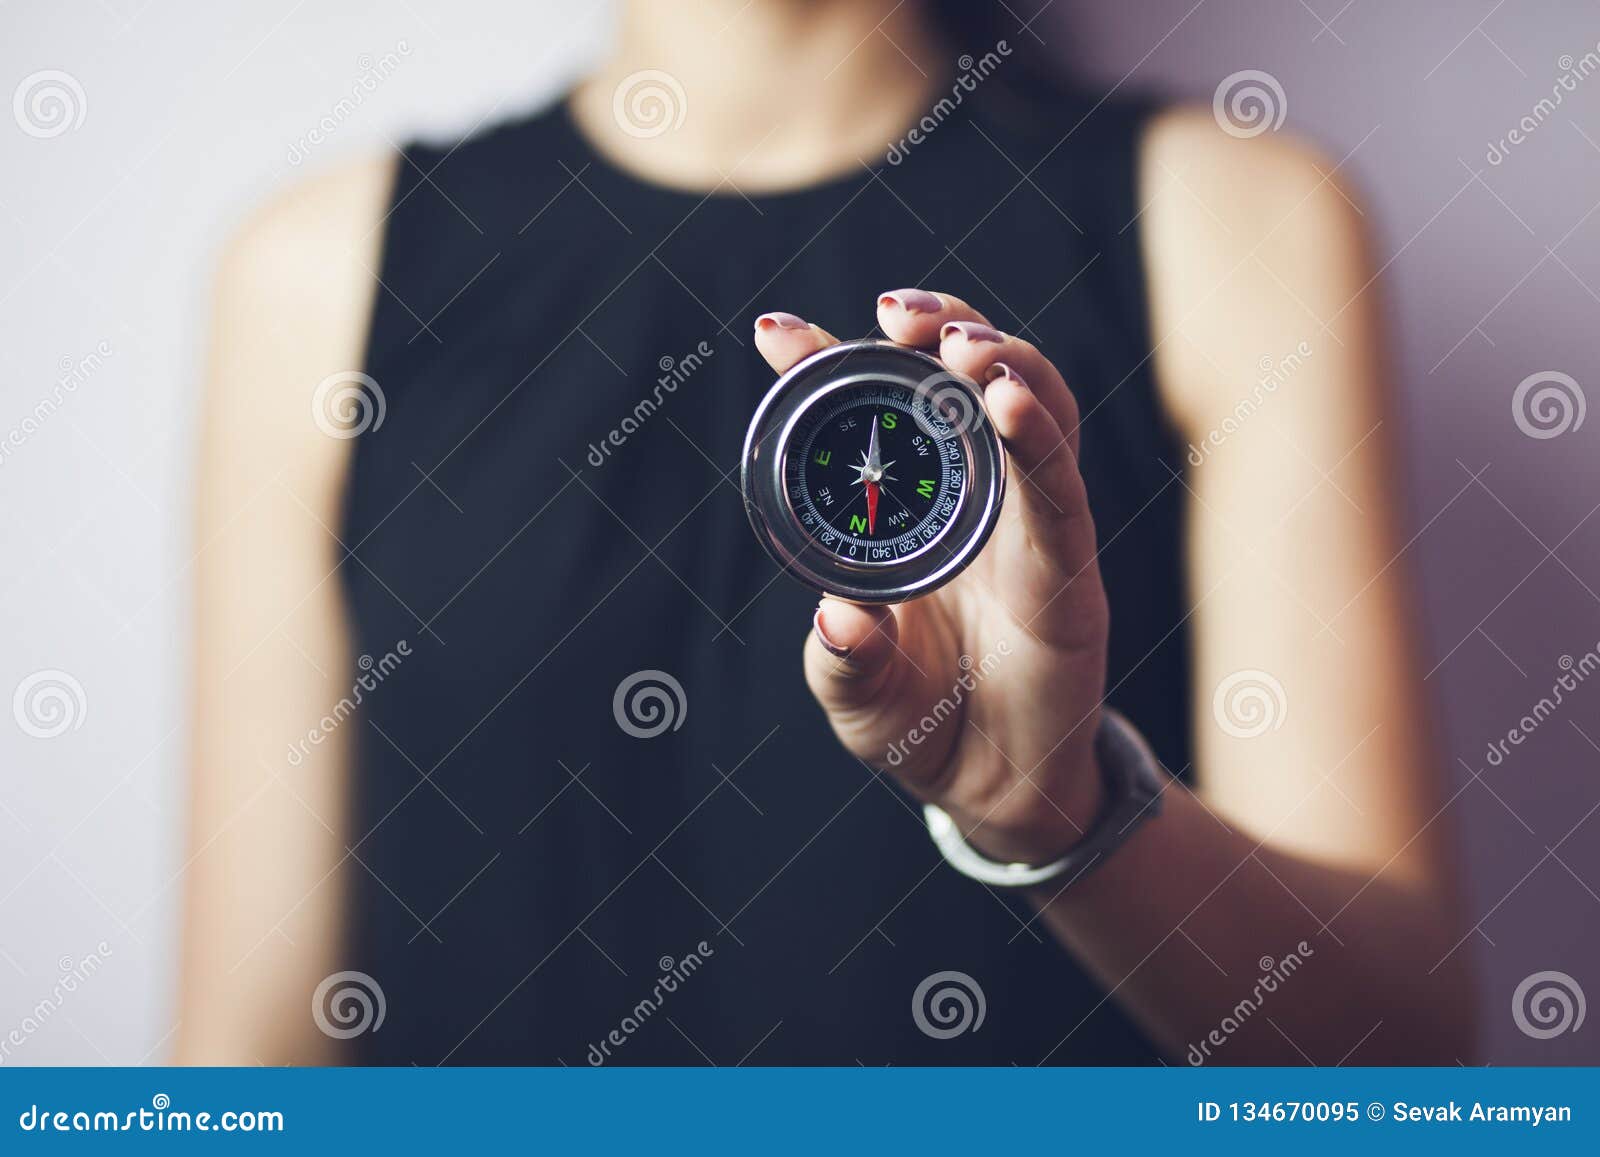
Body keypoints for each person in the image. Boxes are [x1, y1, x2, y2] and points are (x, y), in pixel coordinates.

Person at [177, 0, 1476, 1064]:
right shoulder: (317, 272)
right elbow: (248, 1056)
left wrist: (1062, 820)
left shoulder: (1230, 220)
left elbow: (1401, 1064)